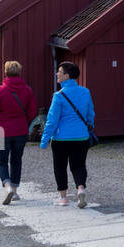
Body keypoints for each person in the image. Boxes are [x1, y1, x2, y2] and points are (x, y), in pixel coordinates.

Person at [39, 61, 94, 207]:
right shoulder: (85, 92)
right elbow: (90, 114)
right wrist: (89, 127)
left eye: (60, 72)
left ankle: (63, 198)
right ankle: (81, 189)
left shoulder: (59, 95)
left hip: (61, 138)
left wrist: (44, 141)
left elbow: (52, 120)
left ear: (67, 76)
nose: (57, 74)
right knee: (79, 165)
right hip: (81, 137)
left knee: (60, 166)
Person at [0, 60, 37, 205]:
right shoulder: (27, 90)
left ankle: (7, 185)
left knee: (1, 160)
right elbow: (32, 111)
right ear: (19, 72)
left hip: (1, 130)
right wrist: (24, 121)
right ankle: (14, 191)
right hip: (21, 130)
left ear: (5, 72)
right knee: (16, 160)